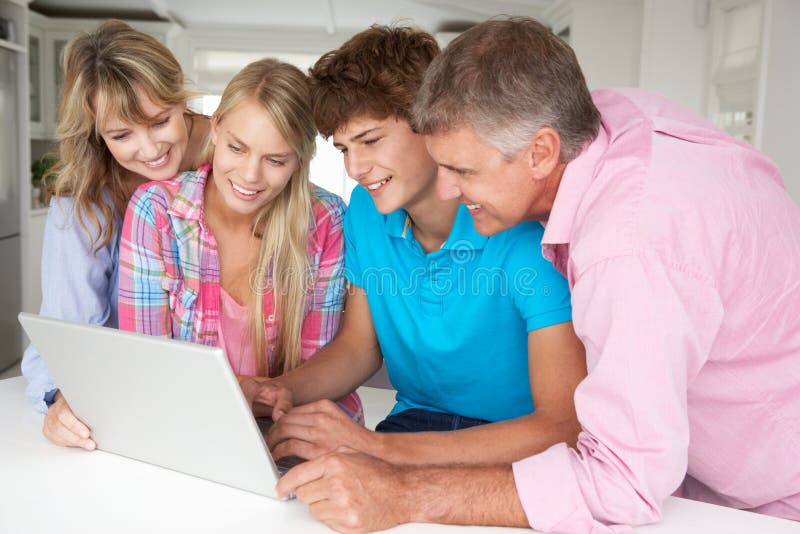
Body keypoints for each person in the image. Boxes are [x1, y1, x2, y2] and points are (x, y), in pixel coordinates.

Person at [283, 14, 800, 533]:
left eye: (463, 172)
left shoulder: (626, 249)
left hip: (775, 498)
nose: (447, 191)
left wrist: (403, 492)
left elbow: (620, 483)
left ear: (541, 152)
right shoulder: (603, 120)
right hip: (698, 476)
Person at [252, 25, 586, 472]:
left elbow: (561, 425)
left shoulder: (519, 224)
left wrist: (377, 450)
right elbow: (359, 347)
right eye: (344, 148)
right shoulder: (365, 214)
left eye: (370, 141)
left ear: (431, 123)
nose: (355, 167)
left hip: (513, 444)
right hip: (414, 425)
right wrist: (281, 391)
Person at [117, 58, 362, 426]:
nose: (249, 176)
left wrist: (239, 395)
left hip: (292, 423)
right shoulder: (157, 212)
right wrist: (242, 393)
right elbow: (149, 367)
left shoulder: (325, 220)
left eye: (276, 160)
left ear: (301, 159)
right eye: (236, 148)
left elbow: (316, 374)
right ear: (215, 128)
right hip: (188, 423)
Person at [21, 20, 210, 451]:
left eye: (159, 121)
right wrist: (60, 401)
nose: (148, 149)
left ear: (179, 90)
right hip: (118, 394)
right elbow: (67, 331)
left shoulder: (235, 159)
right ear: (95, 131)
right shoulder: (82, 202)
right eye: (121, 134)